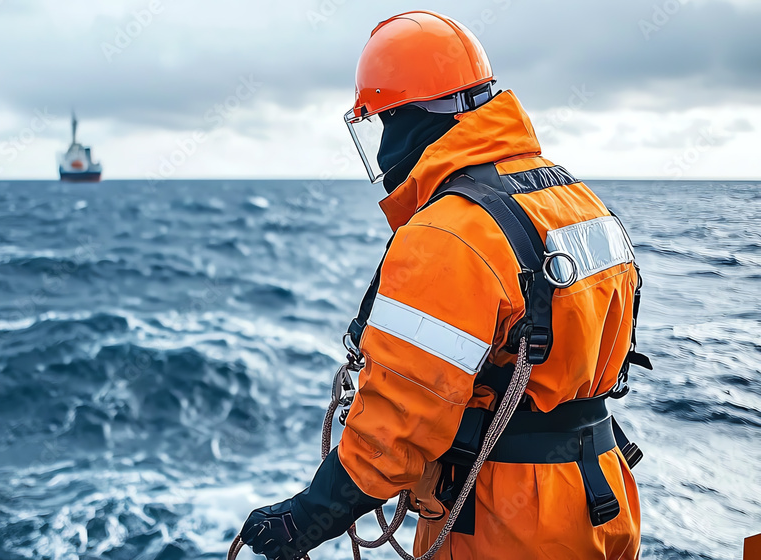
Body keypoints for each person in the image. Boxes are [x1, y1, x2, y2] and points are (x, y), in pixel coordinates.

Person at [239, 10, 648, 560]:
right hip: (600, 496)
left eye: (383, 122)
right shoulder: (574, 200)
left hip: (509, 520)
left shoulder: (448, 233)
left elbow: (396, 427)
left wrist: (306, 517)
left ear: (411, 119)